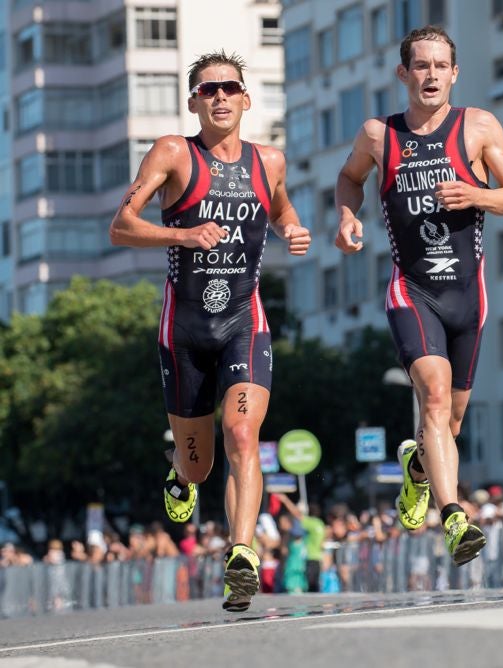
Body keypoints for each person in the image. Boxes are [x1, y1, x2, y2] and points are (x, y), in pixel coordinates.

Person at [109, 50, 311, 611]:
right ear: (194, 100)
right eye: (207, 89)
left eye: (229, 87)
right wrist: (183, 235)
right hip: (185, 331)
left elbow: (282, 209)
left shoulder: (268, 160)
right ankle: (178, 476)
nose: (219, 96)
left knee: (243, 436)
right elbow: (122, 226)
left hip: (246, 322)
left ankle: (241, 553)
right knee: (198, 464)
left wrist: (293, 230)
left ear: (247, 98)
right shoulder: (174, 152)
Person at [334, 26, 503, 566]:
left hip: (469, 296)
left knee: (452, 420)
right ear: (404, 74)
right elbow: (349, 180)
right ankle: (454, 516)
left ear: (455, 73)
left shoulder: (479, 126)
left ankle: (416, 469)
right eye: (421, 65)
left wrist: (477, 193)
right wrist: (347, 216)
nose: (432, 75)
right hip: (412, 290)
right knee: (434, 397)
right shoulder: (379, 135)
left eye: (441, 65)